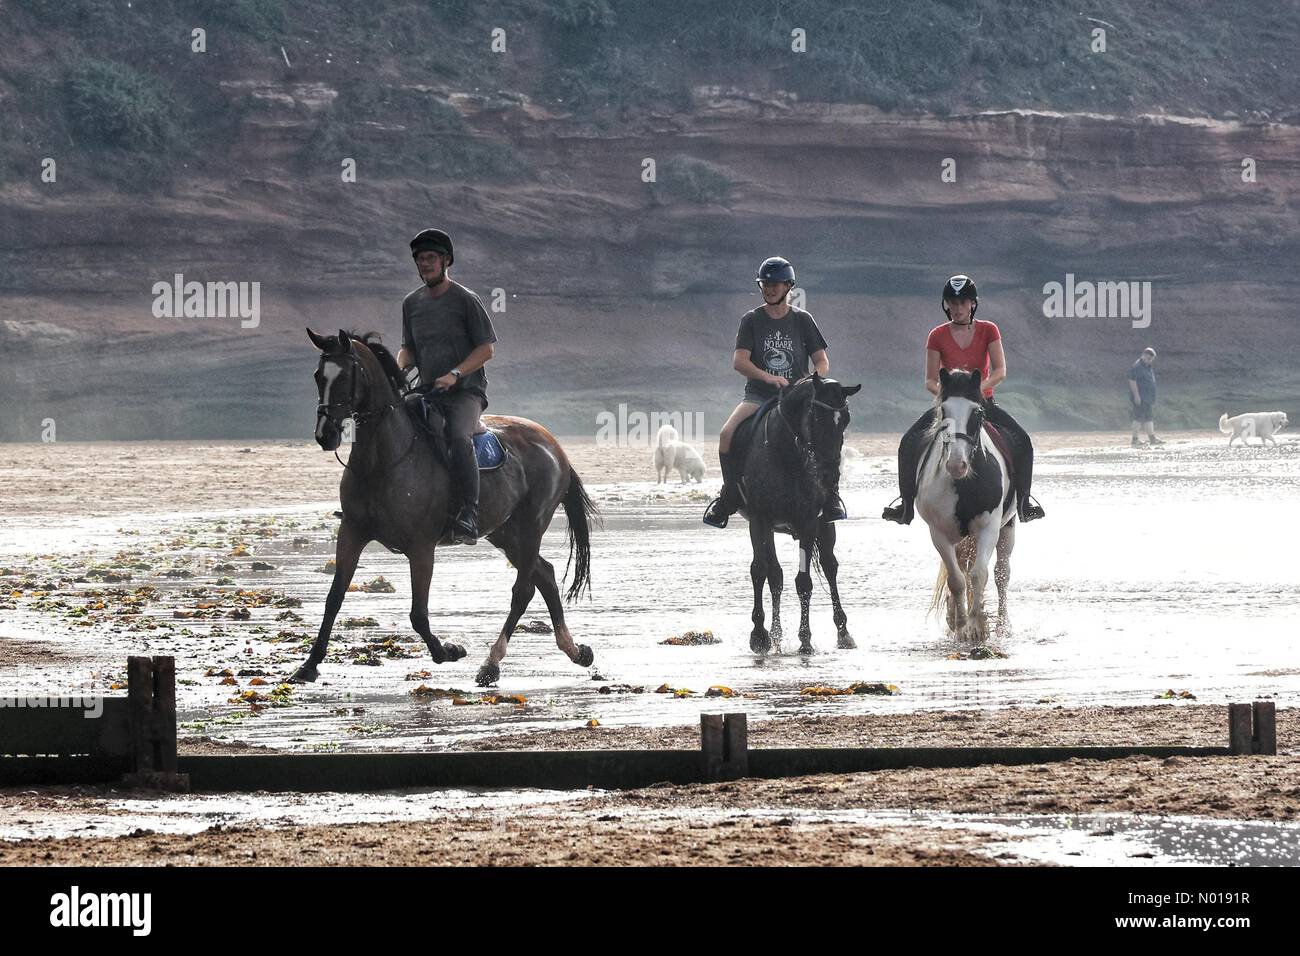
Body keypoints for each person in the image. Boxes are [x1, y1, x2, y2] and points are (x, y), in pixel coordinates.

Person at [882, 274, 1045, 524]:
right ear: (946, 305)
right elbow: (929, 381)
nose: (957, 308)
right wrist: (951, 399)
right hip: (947, 409)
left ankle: (1024, 502)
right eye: (952, 303)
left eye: (962, 303)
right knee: (908, 441)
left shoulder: (989, 330)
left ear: (972, 304)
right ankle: (905, 506)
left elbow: (1000, 371)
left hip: (983, 405)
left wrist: (977, 393)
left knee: (1023, 440)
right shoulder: (936, 336)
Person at [703, 256, 844, 528]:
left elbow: (822, 361)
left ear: (788, 286)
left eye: (775, 284)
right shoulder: (752, 320)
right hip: (757, 396)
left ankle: (831, 497)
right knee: (725, 435)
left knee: (828, 434)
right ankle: (728, 496)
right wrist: (768, 377)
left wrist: (810, 381)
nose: (769, 289)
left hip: (796, 400)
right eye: (765, 284)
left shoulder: (803, 319)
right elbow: (739, 361)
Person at [397, 228, 498, 545]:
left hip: (466, 392)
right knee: (394, 429)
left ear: (446, 261)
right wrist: (399, 369)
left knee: (457, 435)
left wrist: (455, 373)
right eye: (419, 259)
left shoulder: (466, 300)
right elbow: (408, 348)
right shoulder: (411, 303)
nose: (424, 264)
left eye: (430, 258)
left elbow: (486, 349)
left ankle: (469, 512)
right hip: (428, 392)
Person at [1127, 347, 1163, 447]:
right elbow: (1132, 380)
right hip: (1140, 397)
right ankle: (1134, 440)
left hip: (1147, 397)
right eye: (1148, 358)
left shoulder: (1147, 366)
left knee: (1148, 418)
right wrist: (1136, 395)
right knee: (1138, 418)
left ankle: (1152, 438)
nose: (1150, 360)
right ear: (1143, 355)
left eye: (1151, 358)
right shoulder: (1137, 366)